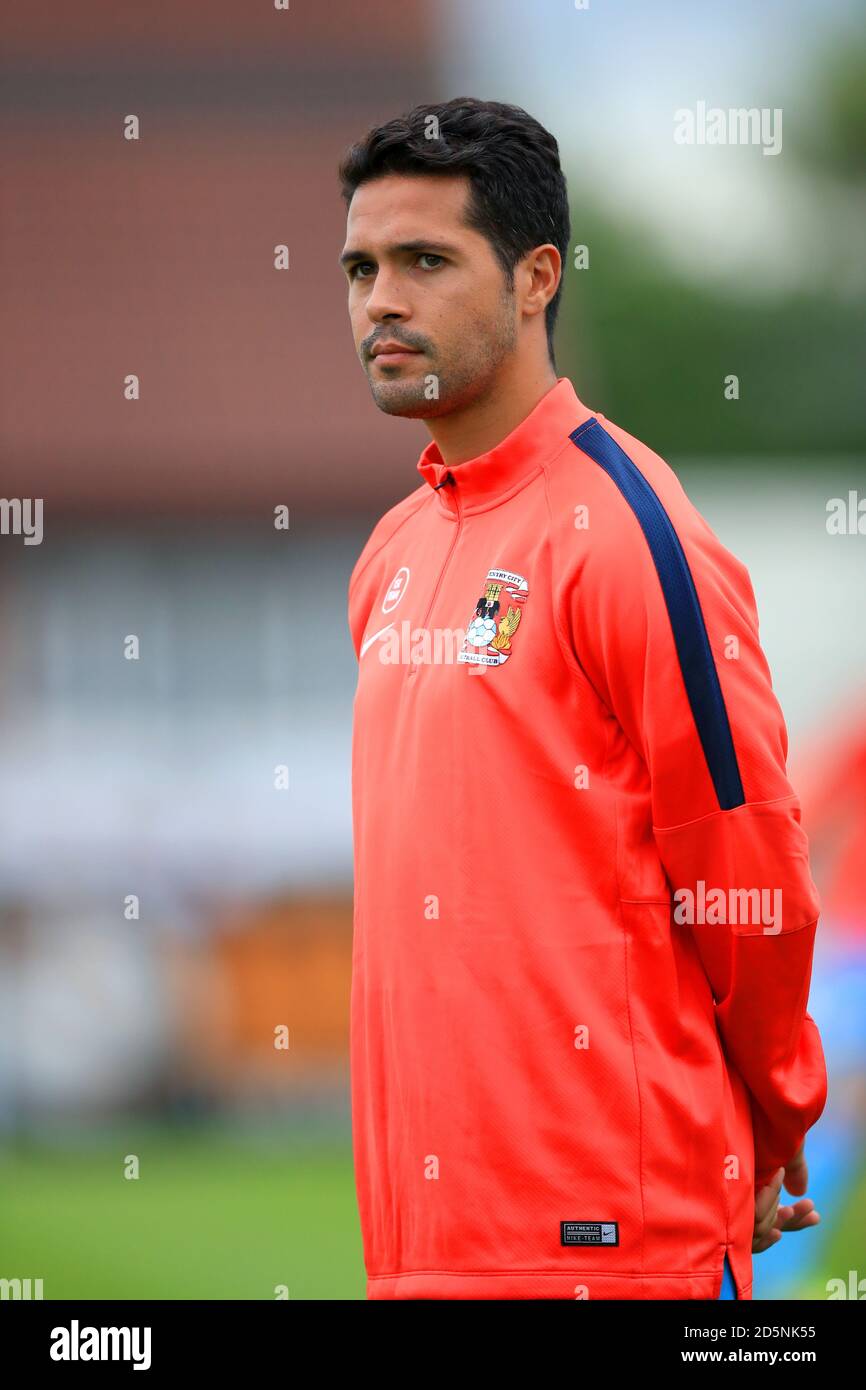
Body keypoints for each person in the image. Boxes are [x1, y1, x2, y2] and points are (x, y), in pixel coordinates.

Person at [338, 97, 826, 1301]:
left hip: (617, 1246)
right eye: (359, 266)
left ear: (534, 279)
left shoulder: (626, 530)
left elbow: (745, 858)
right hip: (423, 1246)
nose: (378, 301)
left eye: (425, 261)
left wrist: (773, 1116)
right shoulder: (390, 553)